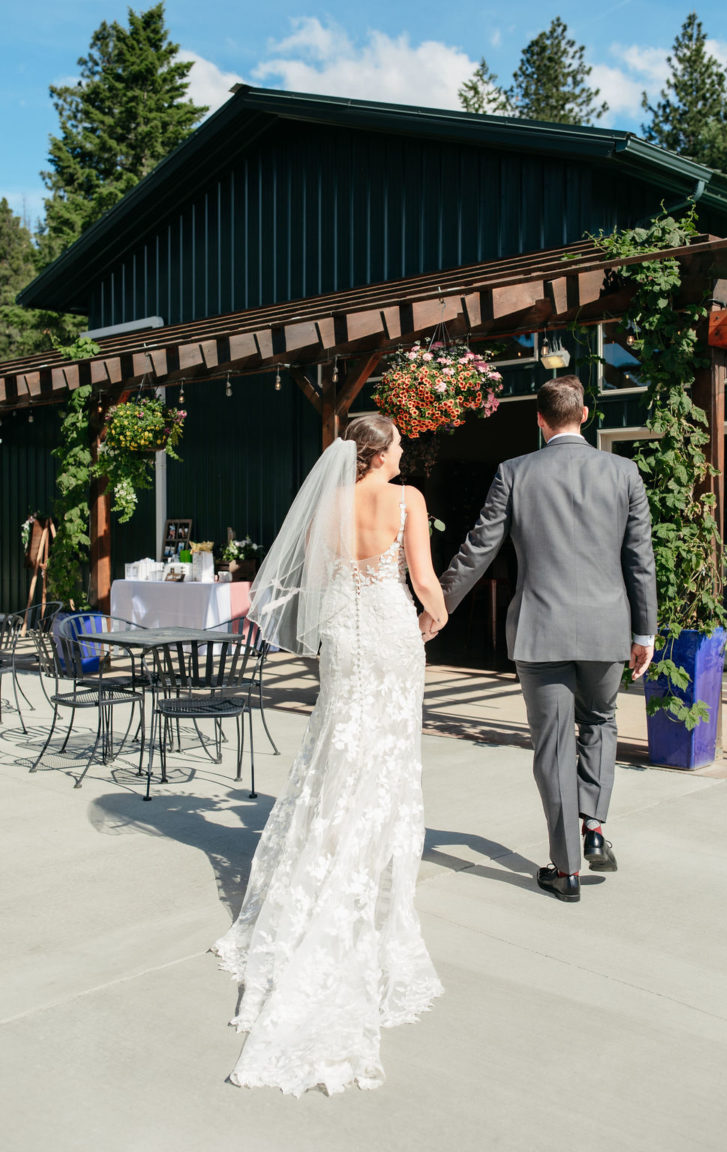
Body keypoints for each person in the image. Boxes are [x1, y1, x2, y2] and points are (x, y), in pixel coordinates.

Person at [213, 413, 447, 1095]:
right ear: (379, 453)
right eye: (398, 443)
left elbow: (315, 578)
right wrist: (437, 615)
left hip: (343, 635)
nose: (405, 451)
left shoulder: (328, 504)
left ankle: (329, 846)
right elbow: (424, 579)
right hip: (392, 632)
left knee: (340, 743)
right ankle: (366, 865)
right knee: (387, 750)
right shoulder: (407, 500)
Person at [422, 375, 657, 903]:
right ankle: (593, 824)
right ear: (585, 415)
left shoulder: (515, 472)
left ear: (539, 420)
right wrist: (644, 631)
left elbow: (479, 548)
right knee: (600, 721)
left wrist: (438, 607)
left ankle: (566, 871)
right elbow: (639, 559)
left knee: (552, 744)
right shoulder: (623, 472)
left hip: (540, 629)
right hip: (605, 629)